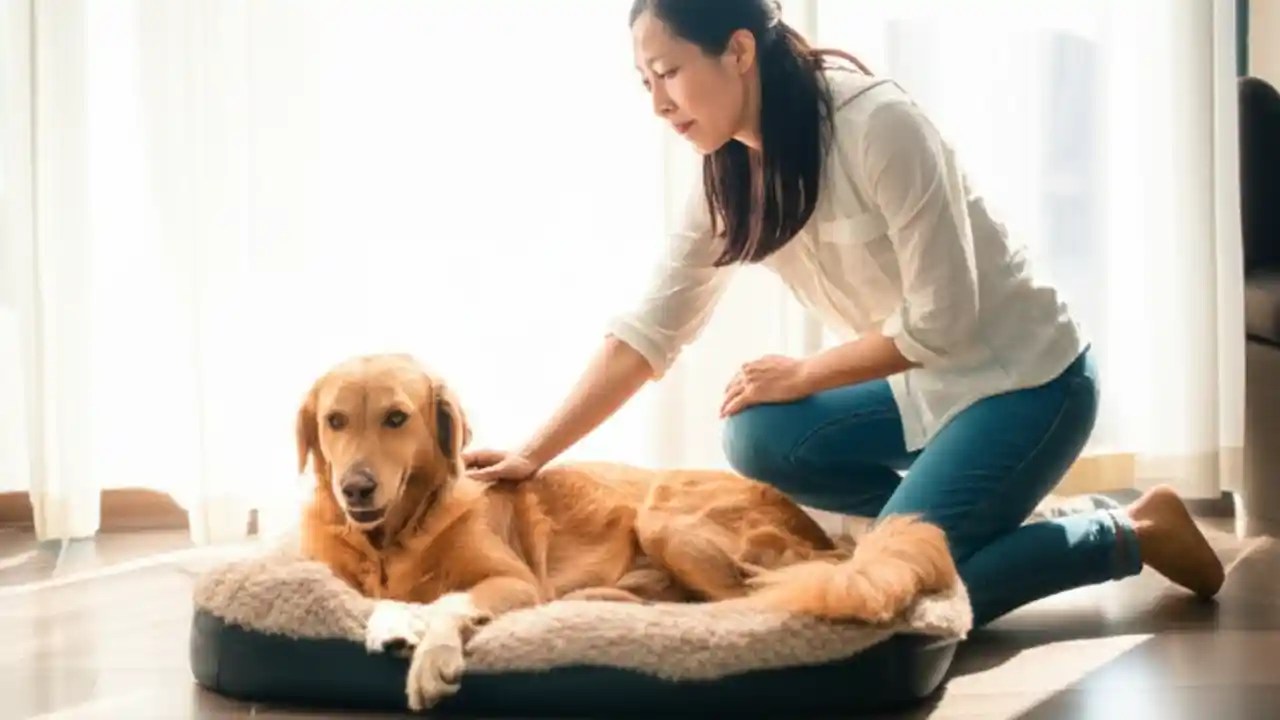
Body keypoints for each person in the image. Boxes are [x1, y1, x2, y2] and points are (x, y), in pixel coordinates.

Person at [464, 0, 1226, 627]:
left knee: (891, 601)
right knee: (756, 432)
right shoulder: (723, 173)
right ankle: (964, 518)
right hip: (925, 389)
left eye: (668, 73)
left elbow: (944, 324)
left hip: (1028, 383)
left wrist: (803, 373)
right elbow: (649, 329)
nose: (659, 102)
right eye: (644, 82)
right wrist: (534, 452)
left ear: (737, 51)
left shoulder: (876, 125)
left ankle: (1129, 531)